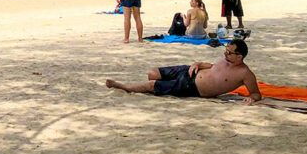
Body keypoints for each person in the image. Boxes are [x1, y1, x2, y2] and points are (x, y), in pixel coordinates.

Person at [105, 40, 261, 103]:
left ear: (239, 57)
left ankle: (122, 86)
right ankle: (137, 85)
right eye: (226, 50)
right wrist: (198, 63)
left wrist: (252, 99)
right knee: (152, 73)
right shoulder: (226, 59)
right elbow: (213, 67)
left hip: (192, 87)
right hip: (189, 71)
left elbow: (256, 93)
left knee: (153, 84)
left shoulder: (245, 74)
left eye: (230, 52)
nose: (226, 53)